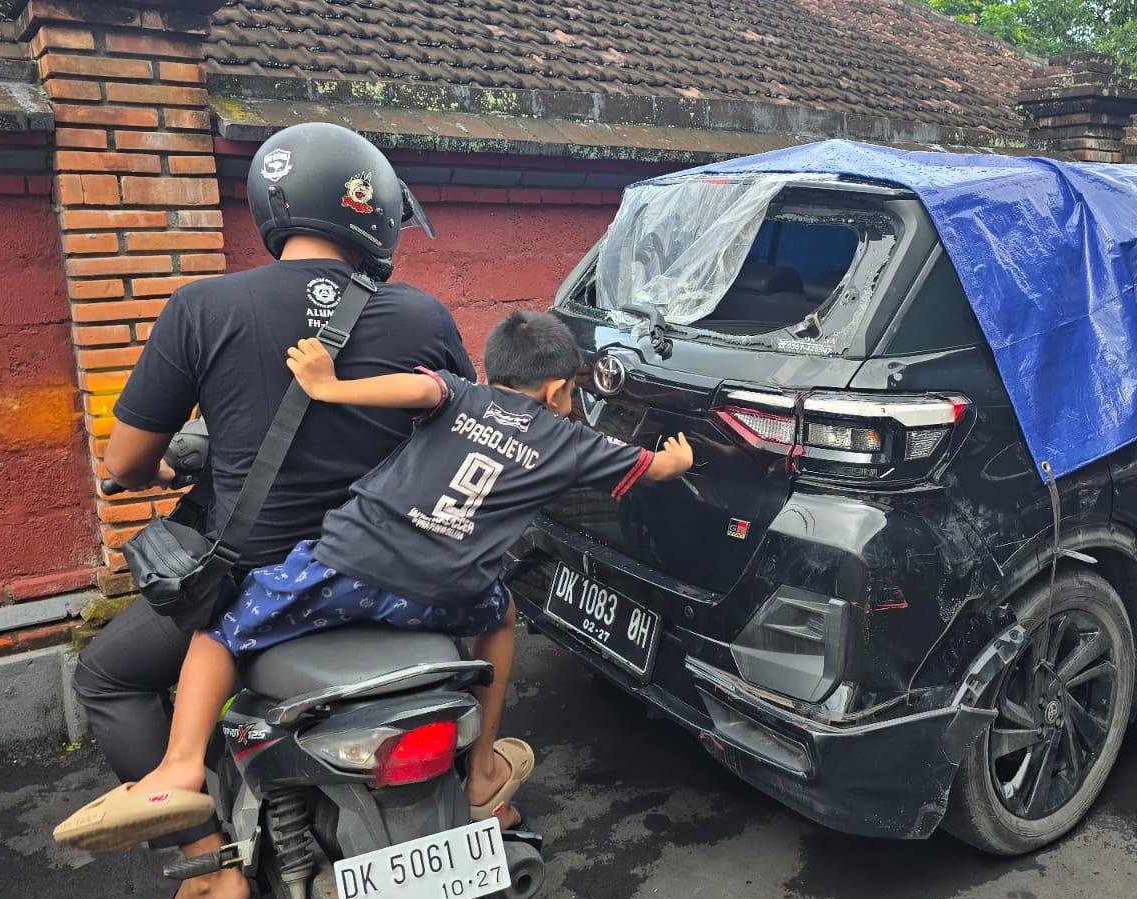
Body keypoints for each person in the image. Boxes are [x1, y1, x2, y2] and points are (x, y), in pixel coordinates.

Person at [56, 312, 694, 850]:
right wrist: (680, 456)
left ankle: (178, 766)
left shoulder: (459, 394)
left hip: (348, 569)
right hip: (446, 595)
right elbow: (659, 469)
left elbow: (415, 394)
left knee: (218, 631)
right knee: (502, 618)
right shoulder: (569, 441)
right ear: (558, 390)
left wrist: (328, 386)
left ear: (491, 370)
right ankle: (480, 772)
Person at [70, 122, 477, 899]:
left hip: (254, 585)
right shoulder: (425, 313)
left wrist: (178, 464)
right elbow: (466, 437)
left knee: (105, 676)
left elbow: (125, 461)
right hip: (399, 576)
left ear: (273, 205)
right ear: (373, 213)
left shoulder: (203, 306)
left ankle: (208, 863)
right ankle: (486, 800)